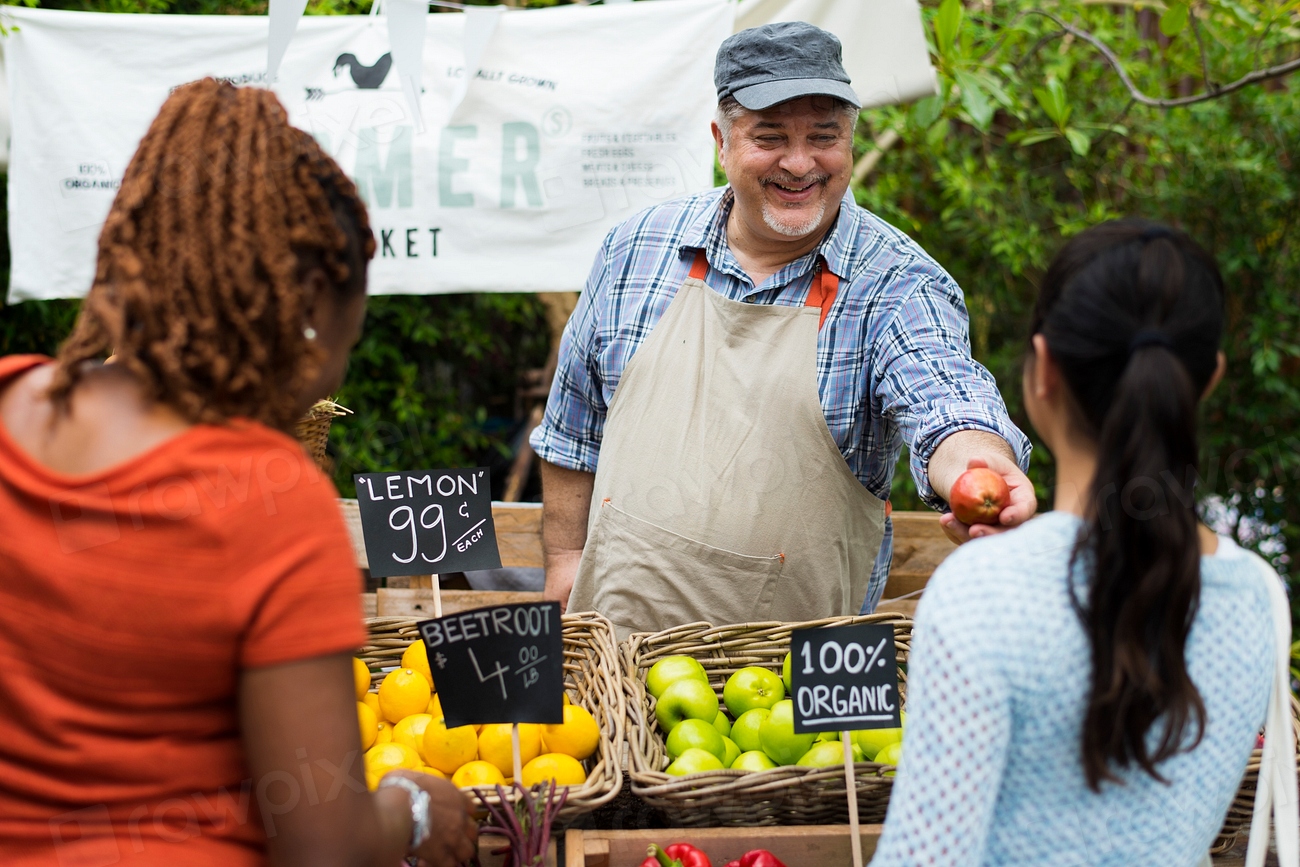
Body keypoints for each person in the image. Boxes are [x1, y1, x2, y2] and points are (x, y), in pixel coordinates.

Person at [0, 80, 477, 867]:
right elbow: (327, 847)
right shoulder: (270, 499)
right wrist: (415, 808)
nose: (334, 374)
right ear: (307, 312)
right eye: (342, 342)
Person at [531, 22, 1035, 637]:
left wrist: (977, 464)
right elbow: (572, 432)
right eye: (770, 138)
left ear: (850, 141)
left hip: (802, 695)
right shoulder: (637, 248)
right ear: (721, 140)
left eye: (823, 138)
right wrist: (563, 560)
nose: (799, 165)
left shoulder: (897, 284)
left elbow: (946, 396)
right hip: (613, 655)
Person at [870, 220, 1281, 865]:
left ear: (1043, 372)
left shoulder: (984, 593)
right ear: (1209, 379)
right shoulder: (1260, 595)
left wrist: (992, 574)